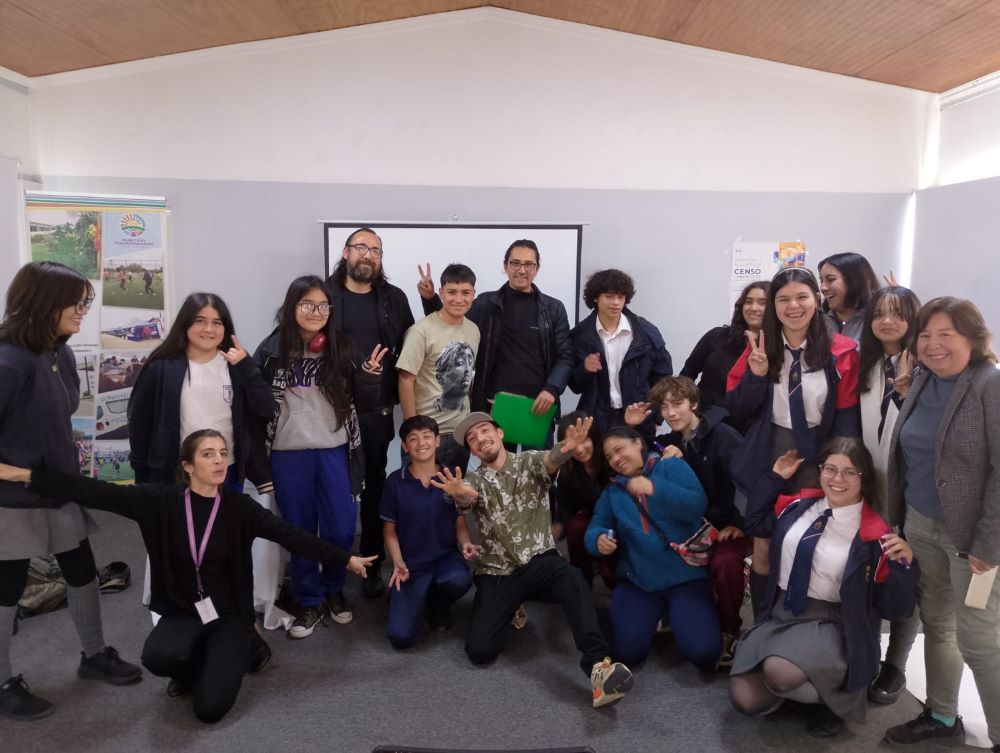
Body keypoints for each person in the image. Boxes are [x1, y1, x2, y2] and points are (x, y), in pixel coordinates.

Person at [0, 430, 376, 723]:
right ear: (188, 466)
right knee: (158, 657)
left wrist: (346, 559)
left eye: (223, 453)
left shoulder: (238, 508)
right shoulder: (158, 502)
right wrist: (23, 474)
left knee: (209, 709)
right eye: (208, 454)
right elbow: (89, 490)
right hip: (182, 609)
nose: (219, 461)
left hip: (228, 615)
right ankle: (205, 658)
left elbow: (292, 536)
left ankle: (247, 644)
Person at [0, 261, 142, 721]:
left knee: (82, 573)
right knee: (6, 590)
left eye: (87, 302)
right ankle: (1, 682)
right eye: (77, 303)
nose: (83, 311)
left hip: (57, 490)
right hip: (13, 499)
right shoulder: (7, 361)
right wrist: (23, 476)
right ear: (44, 302)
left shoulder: (58, 352)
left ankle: (94, 655)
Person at [432, 412, 634, 708]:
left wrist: (566, 447)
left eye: (484, 430)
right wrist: (460, 495)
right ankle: (511, 605)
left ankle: (598, 666)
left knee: (573, 579)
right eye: (472, 439)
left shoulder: (528, 461)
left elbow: (551, 459)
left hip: (539, 562)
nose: (480, 439)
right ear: (472, 450)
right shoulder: (473, 479)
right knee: (479, 651)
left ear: (500, 433)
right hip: (497, 572)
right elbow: (467, 499)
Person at [731, 437, 918, 738]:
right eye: (830, 468)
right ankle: (805, 683)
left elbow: (895, 608)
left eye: (849, 472)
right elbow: (755, 523)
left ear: (864, 478)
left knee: (779, 674)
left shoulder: (874, 535)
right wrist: (775, 477)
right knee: (746, 700)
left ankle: (828, 701)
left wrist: (904, 567)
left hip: (833, 622)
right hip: (784, 610)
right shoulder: (798, 506)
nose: (837, 479)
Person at [883, 297, 1000, 751]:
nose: (933, 345)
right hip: (921, 526)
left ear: (974, 337)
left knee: (979, 641)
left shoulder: (990, 385)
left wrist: (989, 545)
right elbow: (913, 455)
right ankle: (942, 713)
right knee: (937, 622)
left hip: (972, 540)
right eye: (926, 335)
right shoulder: (923, 382)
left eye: (946, 334)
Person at [253, 276, 385, 638]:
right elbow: (254, 403)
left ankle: (333, 590)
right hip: (288, 453)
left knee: (341, 529)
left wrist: (371, 379)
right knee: (299, 530)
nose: (316, 312)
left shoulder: (341, 346)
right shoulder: (271, 349)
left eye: (323, 305)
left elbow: (367, 403)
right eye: (307, 304)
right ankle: (309, 599)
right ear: (292, 307)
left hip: (335, 450)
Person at [727, 267, 860, 617]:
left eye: (801, 296)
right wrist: (756, 377)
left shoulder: (842, 352)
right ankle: (761, 624)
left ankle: (800, 620)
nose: (793, 306)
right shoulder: (760, 346)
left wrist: (840, 470)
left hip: (819, 453)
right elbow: (738, 409)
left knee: (808, 540)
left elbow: (846, 418)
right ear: (773, 305)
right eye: (783, 299)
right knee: (764, 545)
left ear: (816, 299)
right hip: (768, 450)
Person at [626, 375, 747, 665]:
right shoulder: (673, 440)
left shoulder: (724, 437)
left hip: (729, 523)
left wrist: (738, 523)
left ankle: (730, 629)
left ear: (693, 404)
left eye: (678, 404)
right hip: (692, 527)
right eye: (665, 408)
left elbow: (747, 484)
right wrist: (633, 425)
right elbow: (636, 451)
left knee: (725, 562)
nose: (671, 413)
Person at [326, 228, 418, 599]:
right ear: (346, 252)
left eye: (376, 250)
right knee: (333, 489)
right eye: (361, 248)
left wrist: (430, 302)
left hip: (376, 409)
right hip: (328, 409)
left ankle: (371, 563)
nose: (368, 255)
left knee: (374, 487)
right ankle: (331, 565)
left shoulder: (393, 298)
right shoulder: (323, 295)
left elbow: (416, 343)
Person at [585, 426, 722, 672]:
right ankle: (657, 616)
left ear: (638, 443)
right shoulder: (613, 490)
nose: (615, 459)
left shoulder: (670, 466)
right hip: (639, 582)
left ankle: (675, 615)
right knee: (626, 654)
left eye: (619, 450)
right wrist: (597, 540)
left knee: (704, 653)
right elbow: (597, 525)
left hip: (686, 577)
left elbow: (697, 505)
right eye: (609, 457)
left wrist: (654, 489)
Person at [418, 240, 573, 450]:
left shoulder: (553, 309)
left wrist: (552, 389)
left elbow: (565, 355)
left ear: (537, 268)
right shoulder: (485, 303)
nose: (521, 270)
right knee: (497, 476)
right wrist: (430, 299)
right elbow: (451, 325)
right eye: (515, 263)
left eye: (529, 264)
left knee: (538, 476)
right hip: (494, 408)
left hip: (538, 407)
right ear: (505, 265)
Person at [128, 292, 275, 487]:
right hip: (174, 473)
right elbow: (139, 420)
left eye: (217, 322)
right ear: (186, 323)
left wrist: (247, 367)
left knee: (225, 519)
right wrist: (141, 473)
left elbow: (266, 409)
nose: (209, 329)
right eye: (200, 321)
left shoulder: (236, 364)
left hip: (225, 472)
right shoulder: (161, 367)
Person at [857, 284, 922, 704]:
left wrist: (905, 389)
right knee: (867, 571)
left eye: (897, 314)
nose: (887, 321)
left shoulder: (924, 369)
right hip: (867, 484)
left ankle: (895, 663)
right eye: (879, 312)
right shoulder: (866, 364)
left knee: (904, 574)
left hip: (909, 490)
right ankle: (866, 654)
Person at [381, 415, 474, 648]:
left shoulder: (451, 478)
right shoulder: (395, 482)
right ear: (404, 446)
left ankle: (436, 605)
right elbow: (389, 530)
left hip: (445, 559)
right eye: (413, 438)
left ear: (437, 442)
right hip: (411, 566)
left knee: (459, 580)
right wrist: (398, 561)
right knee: (400, 638)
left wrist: (465, 545)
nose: (421, 443)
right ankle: (412, 599)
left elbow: (459, 522)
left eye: (427, 437)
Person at [569, 268, 672, 444]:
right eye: (609, 296)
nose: (616, 302)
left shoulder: (645, 332)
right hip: (596, 417)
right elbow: (574, 385)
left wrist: (655, 417)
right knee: (600, 468)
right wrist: (584, 369)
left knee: (637, 468)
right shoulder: (580, 335)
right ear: (595, 297)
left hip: (637, 417)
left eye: (621, 297)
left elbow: (663, 376)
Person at [397, 263, 480, 473]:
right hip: (428, 433)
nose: (459, 299)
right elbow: (406, 380)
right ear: (441, 293)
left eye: (465, 293)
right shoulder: (421, 331)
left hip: (461, 432)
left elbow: (469, 377)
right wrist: (414, 430)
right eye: (451, 292)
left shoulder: (473, 330)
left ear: (474, 295)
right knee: (419, 496)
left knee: (454, 499)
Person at [681, 280, 769, 432]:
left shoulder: (778, 348)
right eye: (748, 302)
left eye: (762, 303)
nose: (754, 308)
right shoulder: (716, 336)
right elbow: (686, 376)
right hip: (703, 423)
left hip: (746, 431)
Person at [553, 411, 613, 588]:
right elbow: (566, 503)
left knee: (612, 577)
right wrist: (559, 524)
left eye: (584, 440)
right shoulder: (568, 468)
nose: (579, 449)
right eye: (573, 443)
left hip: (619, 518)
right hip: (592, 518)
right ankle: (582, 576)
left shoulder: (611, 457)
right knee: (575, 526)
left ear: (594, 436)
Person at [817, 252, 880, 342]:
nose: (823, 288)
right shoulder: (818, 321)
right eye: (821, 281)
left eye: (830, 279)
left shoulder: (876, 320)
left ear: (854, 280)